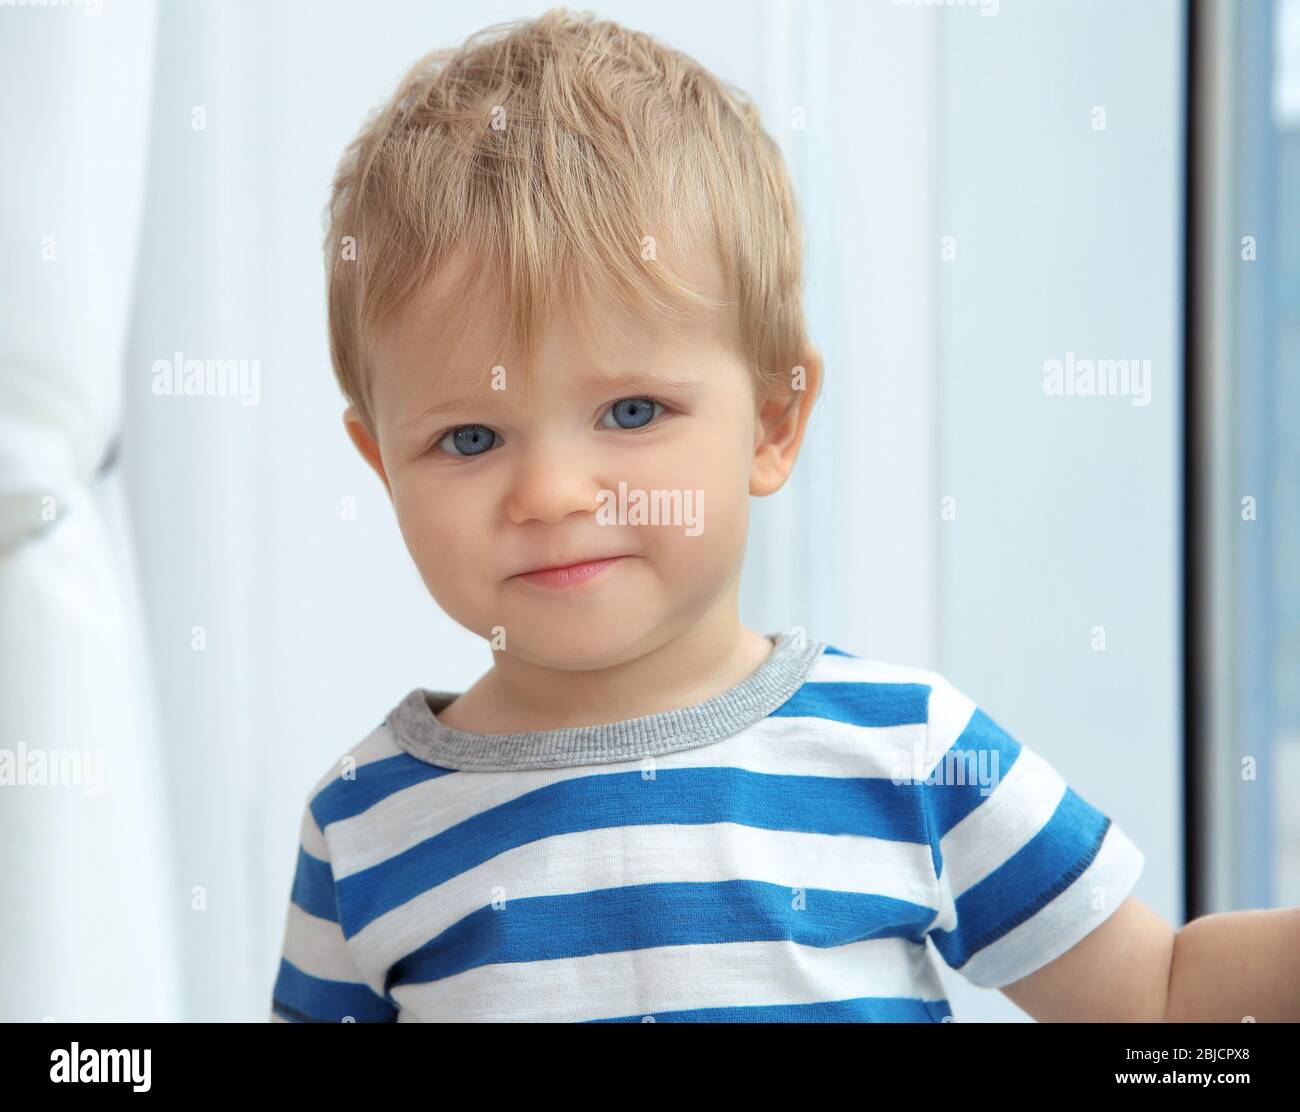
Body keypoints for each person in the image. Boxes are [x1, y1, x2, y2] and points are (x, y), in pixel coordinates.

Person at [271, 8, 1298, 1022]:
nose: (550, 494)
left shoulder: (909, 750)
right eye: (469, 439)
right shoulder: (361, 827)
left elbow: (1159, 996)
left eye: (631, 411)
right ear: (380, 462)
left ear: (770, 419)